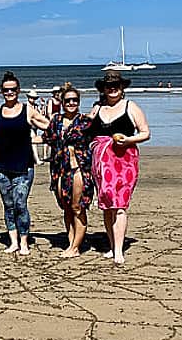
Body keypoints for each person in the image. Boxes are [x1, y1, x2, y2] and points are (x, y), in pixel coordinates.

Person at [89, 70, 150, 265]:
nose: (112, 88)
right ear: (103, 89)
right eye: (109, 85)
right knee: (107, 205)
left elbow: (145, 133)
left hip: (124, 161)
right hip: (101, 163)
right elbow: (85, 130)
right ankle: (111, 244)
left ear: (122, 88)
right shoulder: (97, 108)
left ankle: (118, 250)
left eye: (116, 85)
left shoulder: (130, 107)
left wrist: (128, 140)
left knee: (120, 205)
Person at [0, 71, 51, 255]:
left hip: (23, 166)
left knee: (20, 204)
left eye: (13, 90)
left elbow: (49, 127)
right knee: (8, 205)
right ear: (2, 91)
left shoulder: (27, 110)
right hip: (1, 165)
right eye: (6, 90)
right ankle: (13, 242)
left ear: (18, 90)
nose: (9, 93)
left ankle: (24, 242)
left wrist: (40, 141)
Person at [43, 82, 94, 257]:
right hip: (60, 170)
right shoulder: (56, 120)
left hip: (79, 168)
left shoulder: (86, 122)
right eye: (68, 100)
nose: (71, 103)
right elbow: (46, 138)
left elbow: (101, 137)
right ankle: (71, 242)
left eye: (75, 100)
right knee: (66, 207)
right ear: (62, 102)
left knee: (77, 207)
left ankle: (75, 247)